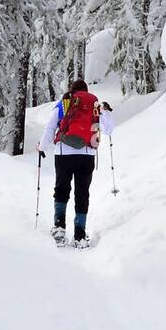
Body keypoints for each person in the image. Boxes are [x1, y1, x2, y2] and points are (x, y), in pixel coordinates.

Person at [38, 78, 113, 245]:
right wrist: (106, 111)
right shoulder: (94, 105)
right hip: (87, 154)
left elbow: (50, 127)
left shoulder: (65, 102)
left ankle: (59, 228)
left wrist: (42, 146)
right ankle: (79, 234)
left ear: (73, 90)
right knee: (82, 193)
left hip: (64, 152)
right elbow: (108, 129)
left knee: (62, 188)